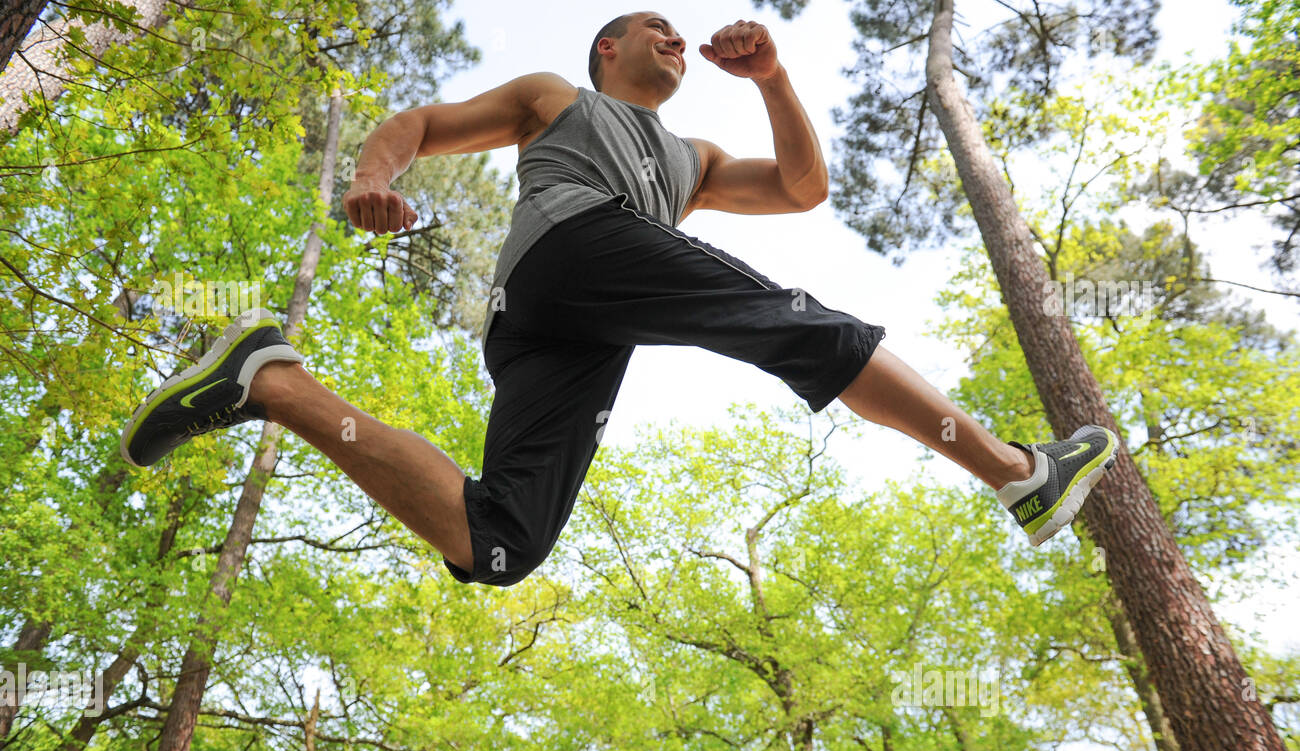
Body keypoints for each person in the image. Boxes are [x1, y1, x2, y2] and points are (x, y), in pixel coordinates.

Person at [120, 11, 1117, 587]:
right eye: (657, 32)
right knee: (800, 328)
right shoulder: (559, 97)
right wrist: (369, 177)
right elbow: (421, 118)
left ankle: (270, 382)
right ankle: (1015, 473)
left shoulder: (695, 161)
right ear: (608, 50)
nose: (676, 44)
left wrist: (772, 77)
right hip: (571, 246)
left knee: (501, 542)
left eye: (685, 42)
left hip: (551, 328)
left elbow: (804, 188)